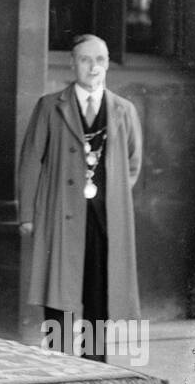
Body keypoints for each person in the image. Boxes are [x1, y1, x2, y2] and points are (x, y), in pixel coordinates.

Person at [18, 34, 142, 361]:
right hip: (60, 214)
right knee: (58, 290)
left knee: (99, 292)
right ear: (72, 64)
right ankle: (59, 363)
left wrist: (111, 200)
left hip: (104, 221)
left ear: (107, 64)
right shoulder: (49, 106)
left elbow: (132, 164)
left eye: (100, 59)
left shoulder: (123, 111)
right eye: (86, 60)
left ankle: (95, 364)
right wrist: (28, 215)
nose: (93, 67)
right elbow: (31, 160)